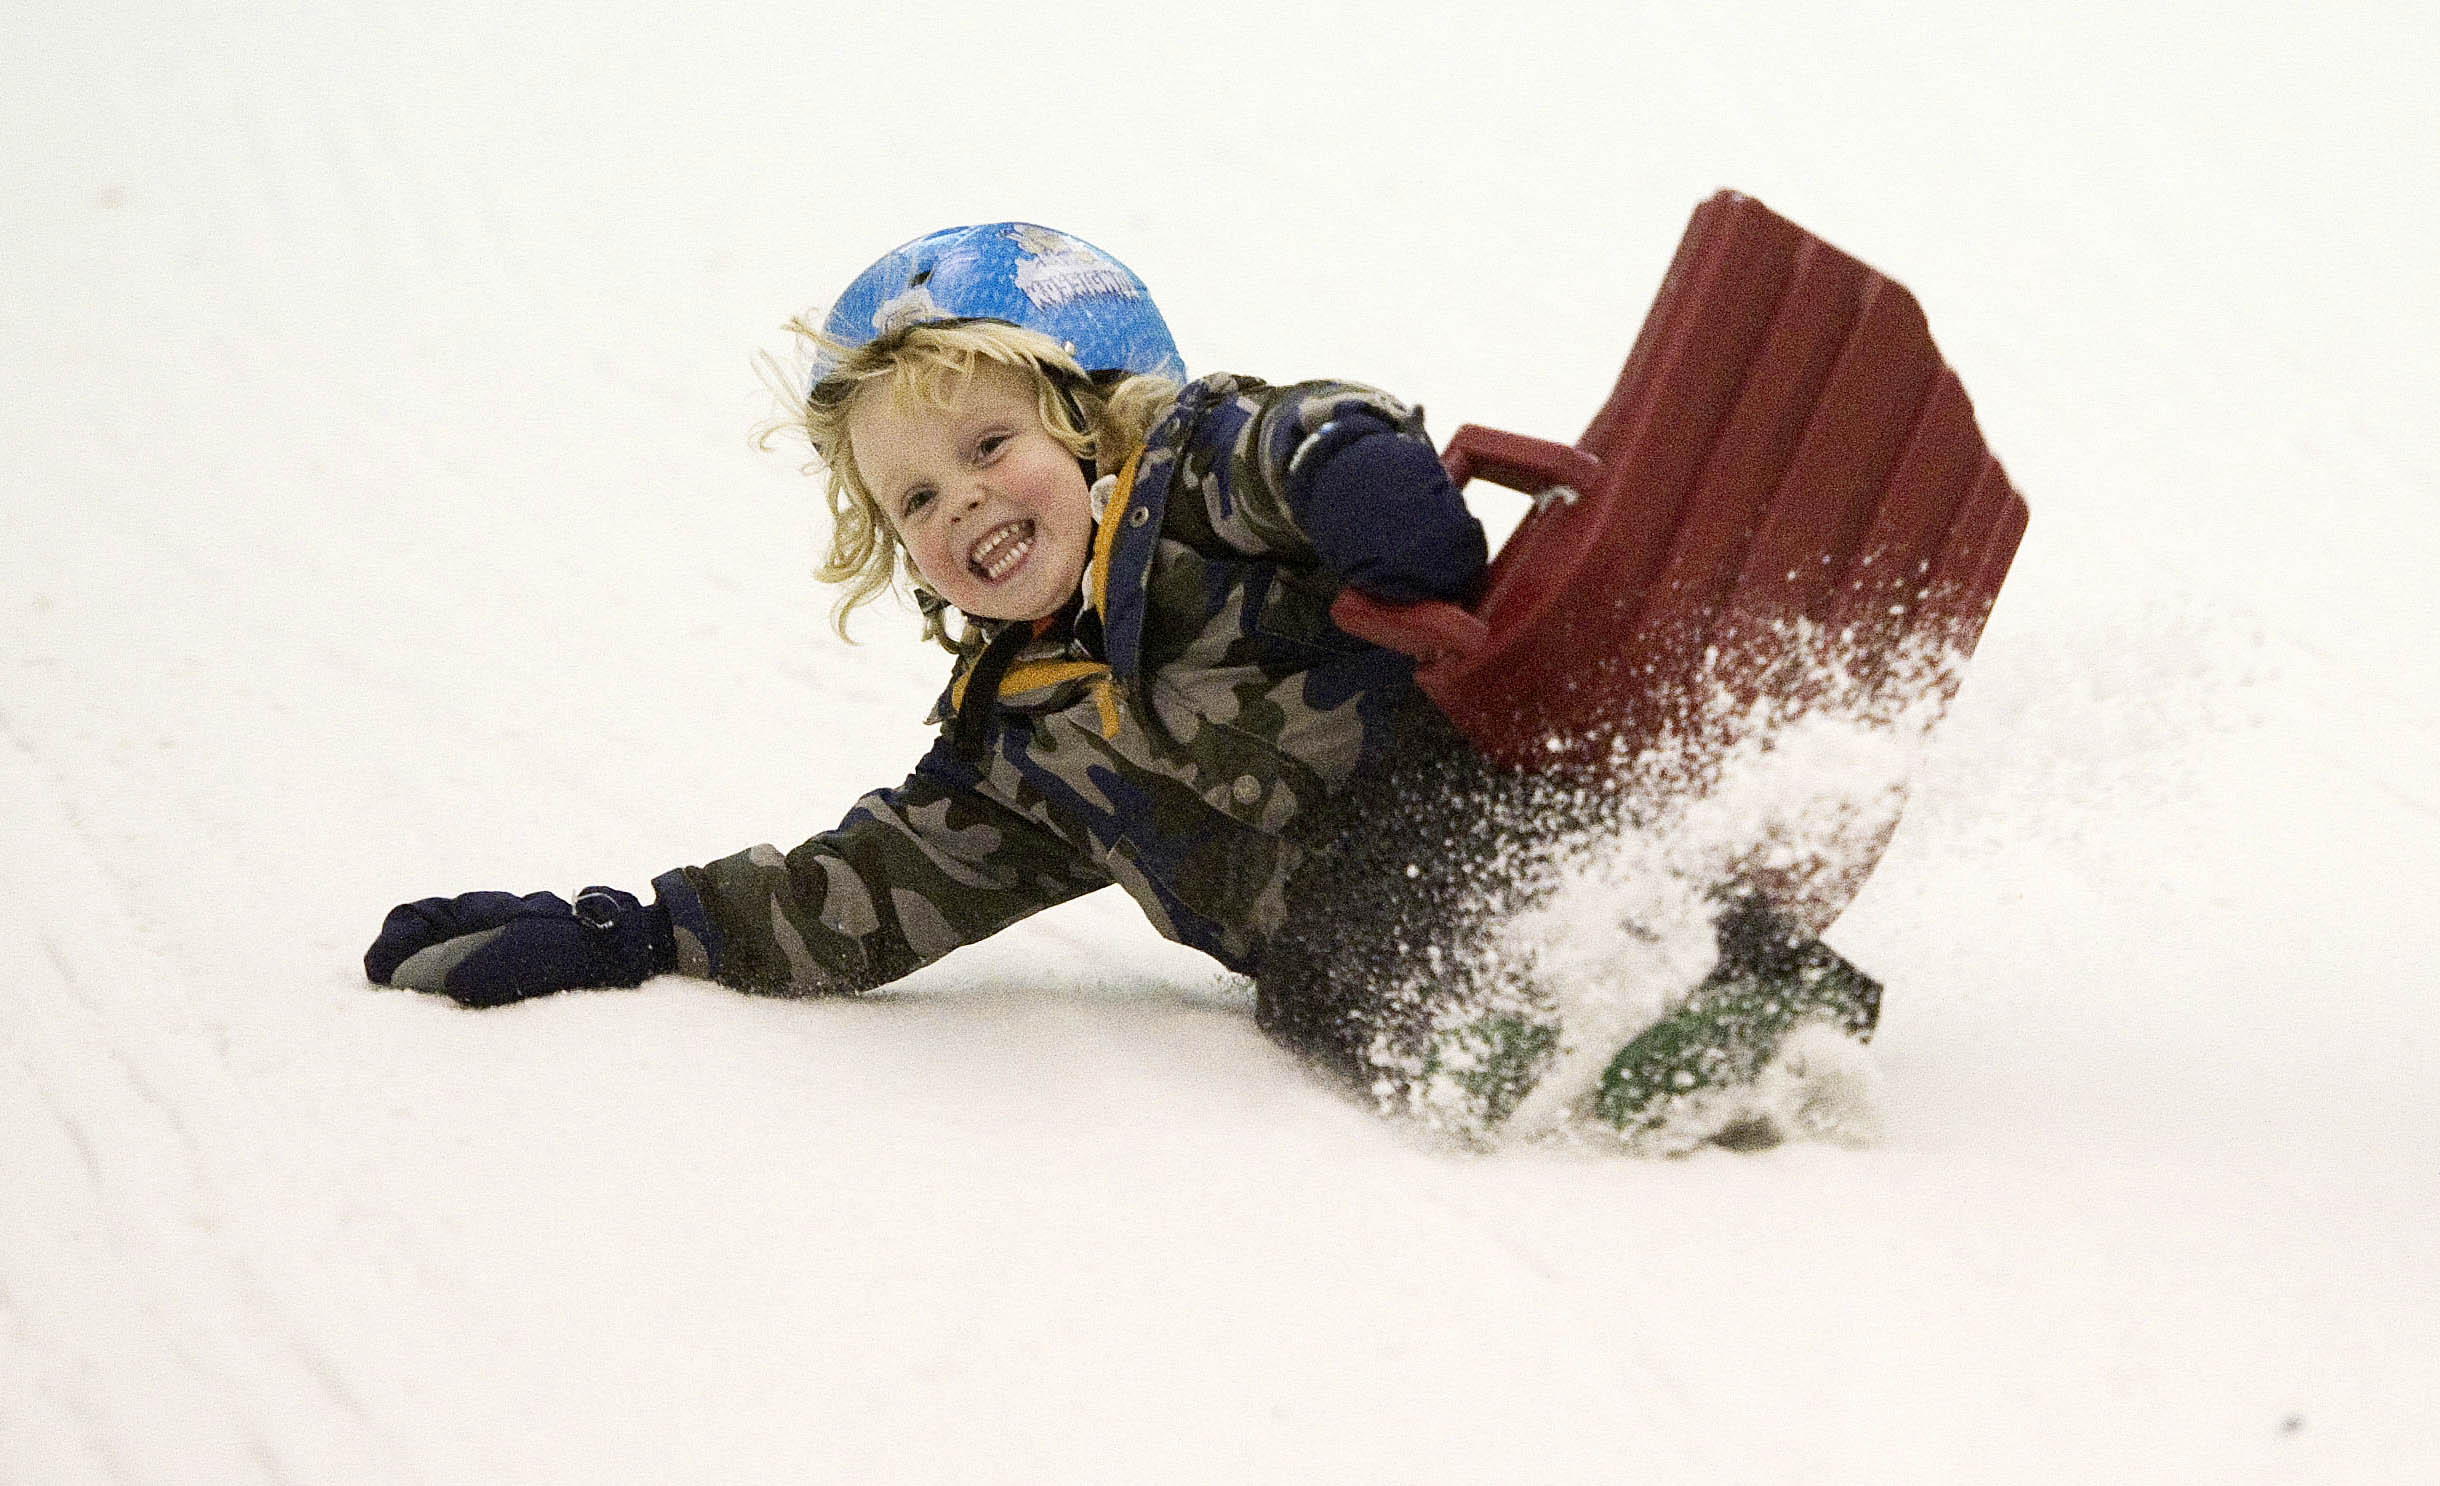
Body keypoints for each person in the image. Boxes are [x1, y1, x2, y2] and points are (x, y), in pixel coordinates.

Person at [364, 222, 1881, 1151]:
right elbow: (867, 888)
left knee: (1498, 874)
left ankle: (1760, 1004)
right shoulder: (1025, 745)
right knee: (1351, 975)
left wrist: (1365, 479)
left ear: (1094, 422)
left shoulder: (1209, 478)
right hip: (1348, 965)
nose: (960, 505)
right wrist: (640, 929)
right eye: (911, 501)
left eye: (986, 447)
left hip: (1474, 797)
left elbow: (1311, 425)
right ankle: (1587, 1070)